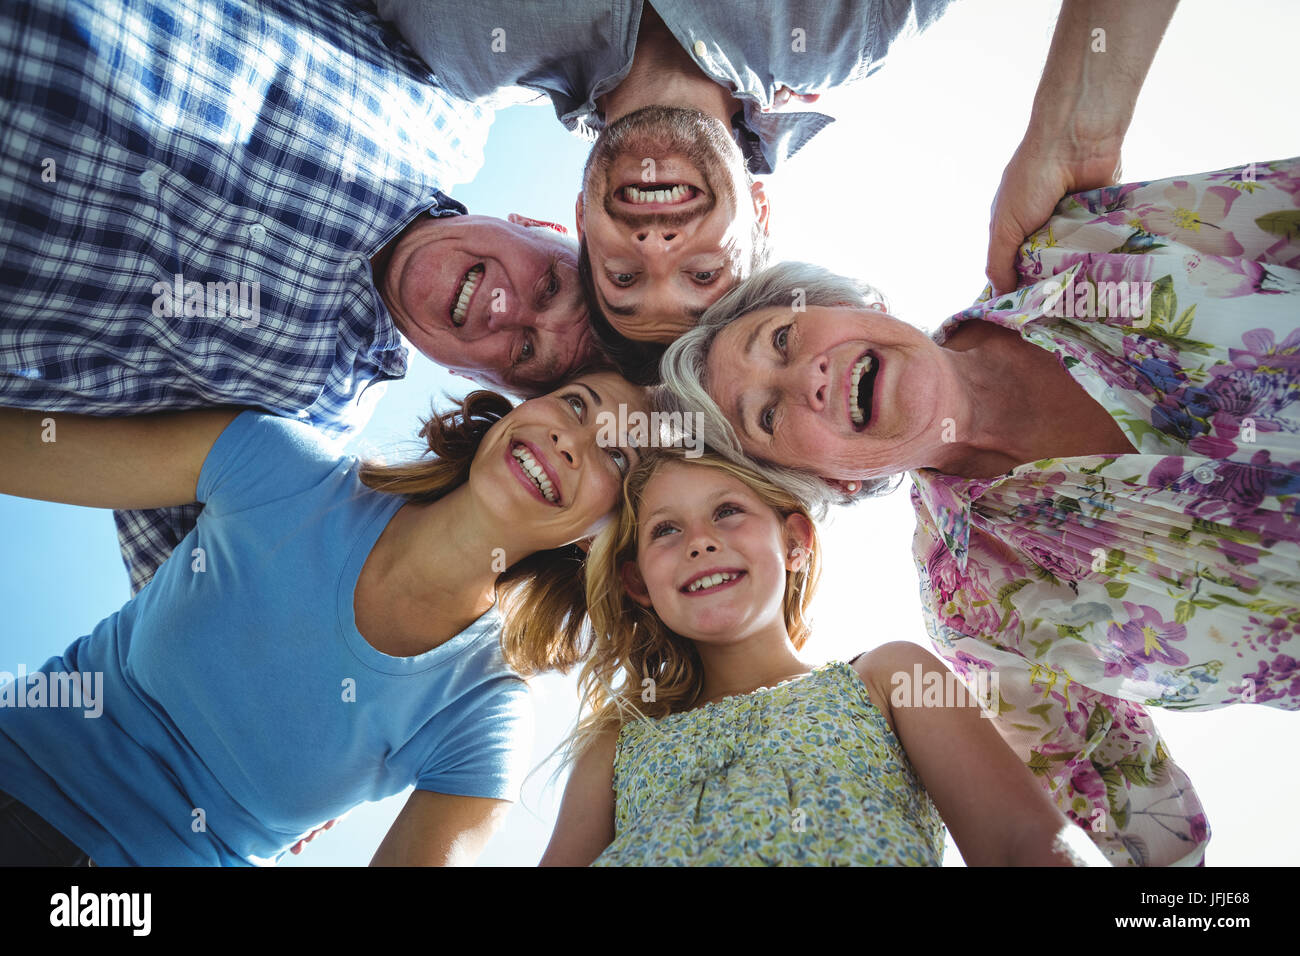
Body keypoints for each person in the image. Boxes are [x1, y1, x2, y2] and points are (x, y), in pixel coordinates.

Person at [659, 156, 1300, 866]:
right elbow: (1144, 826)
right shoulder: (975, 613)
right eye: (769, 415)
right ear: (830, 483)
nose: (803, 377)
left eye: (781, 339)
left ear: (848, 304)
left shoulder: (1077, 247)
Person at [0, 0, 600, 593]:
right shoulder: (441, 90)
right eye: (550, 284)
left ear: (483, 379)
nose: (508, 310)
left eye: (523, 351)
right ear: (541, 226)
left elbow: (194, 604)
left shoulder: (300, 426)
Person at [0, 371, 649, 865]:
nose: (572, 440)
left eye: (614, 458)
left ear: (600, 534)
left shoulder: (484, 715)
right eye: (575, 403)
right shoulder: (278, 466)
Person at [381, 1, 1178, 382]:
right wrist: (1076, 129)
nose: (658, 248)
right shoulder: (841, 28)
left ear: (582, 221)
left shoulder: (459, 46)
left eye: (623, 279)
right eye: (702, 274)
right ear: (760, 208)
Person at [539, 448, 1106, 866]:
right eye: (666, 529)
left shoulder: (890, 677)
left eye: (728, 511)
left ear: (795, 543)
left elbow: (1022, 842)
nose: (700, 541)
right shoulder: (617, 744)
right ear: (638, 583)